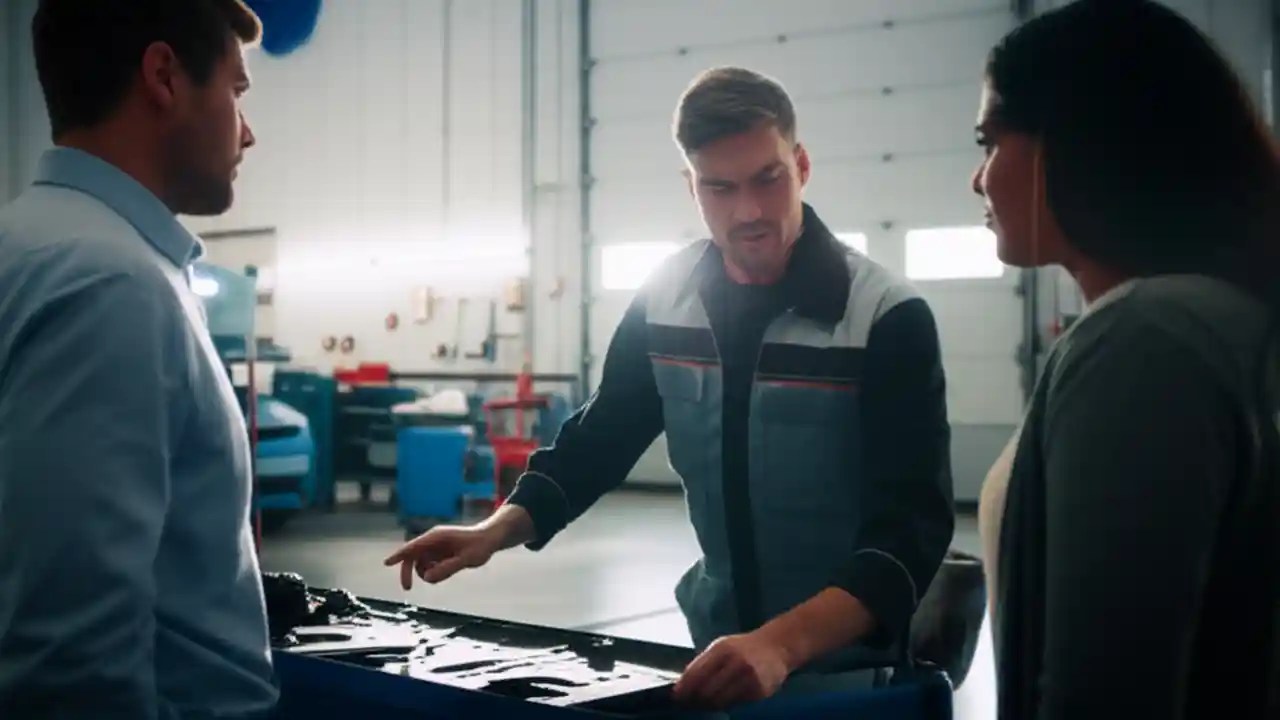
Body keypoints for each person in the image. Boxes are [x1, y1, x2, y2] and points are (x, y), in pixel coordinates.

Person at [386, 66, 956, 710]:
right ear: (691, 187)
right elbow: (599, 439)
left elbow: (909, 532)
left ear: (801, 165)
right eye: (720, 187)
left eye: (768, 179)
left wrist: (780, 646)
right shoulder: (664, 303)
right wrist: (493, 531)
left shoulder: (883, 317)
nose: (748, 211)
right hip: (716, 664)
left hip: (852, 683)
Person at [972, 1, 1280, 718]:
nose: (979, 179)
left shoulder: (1145, 341)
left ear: (1071, 140)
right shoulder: (1213, 322)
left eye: (988, 141)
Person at [0, 1, 278, 718]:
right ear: (164, 77)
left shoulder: (32, 244)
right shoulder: (109, 283)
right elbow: (71, 662)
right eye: (235, 91)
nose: (247, 132)